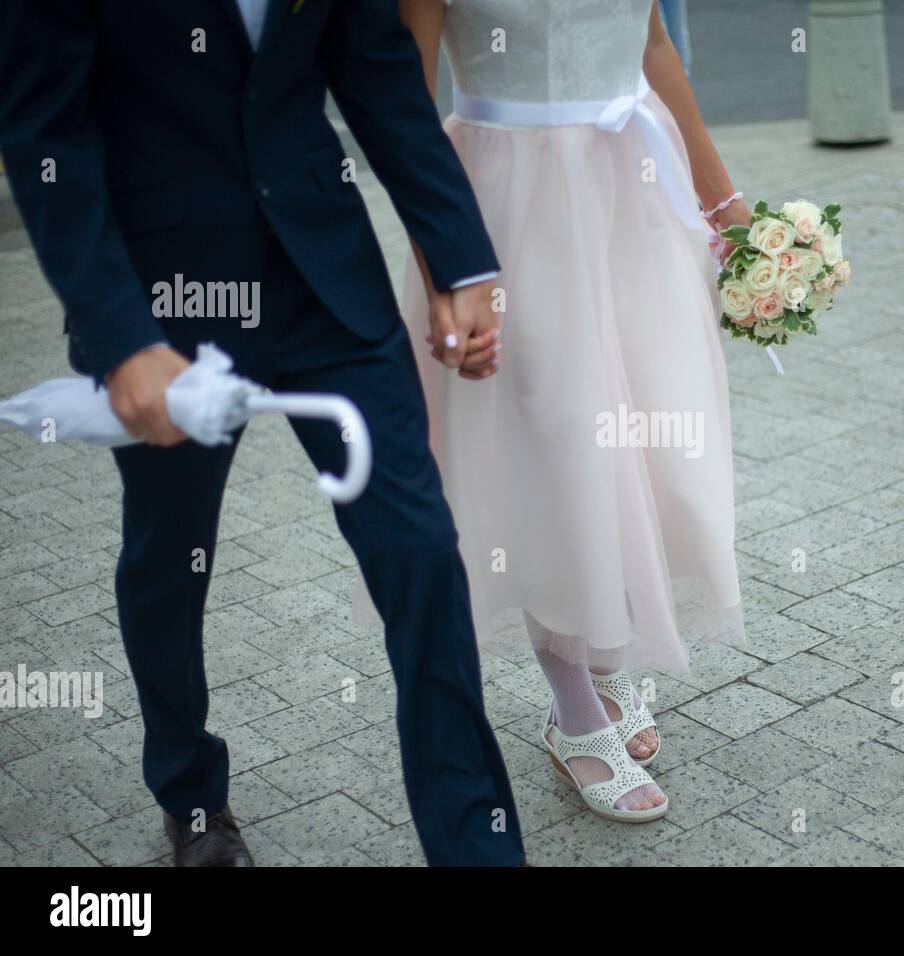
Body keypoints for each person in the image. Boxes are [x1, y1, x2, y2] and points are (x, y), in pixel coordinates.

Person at [0, 0, 523, 866]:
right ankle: (191, 794)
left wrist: (459, 258)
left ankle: (477, 847)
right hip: (164, 308)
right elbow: (46, 131)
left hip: (328, 283)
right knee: (171, 559)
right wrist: (121, 336)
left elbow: (379, 71)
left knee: (422, 552)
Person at [390, 0, 747, 823]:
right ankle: (575, 709)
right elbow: (402, 96)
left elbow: (653, 40)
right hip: (506, 202)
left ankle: (607, 641)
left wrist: (724, 203)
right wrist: (442, 265)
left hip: (634, 185)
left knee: (650, 434)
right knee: (551, 439)